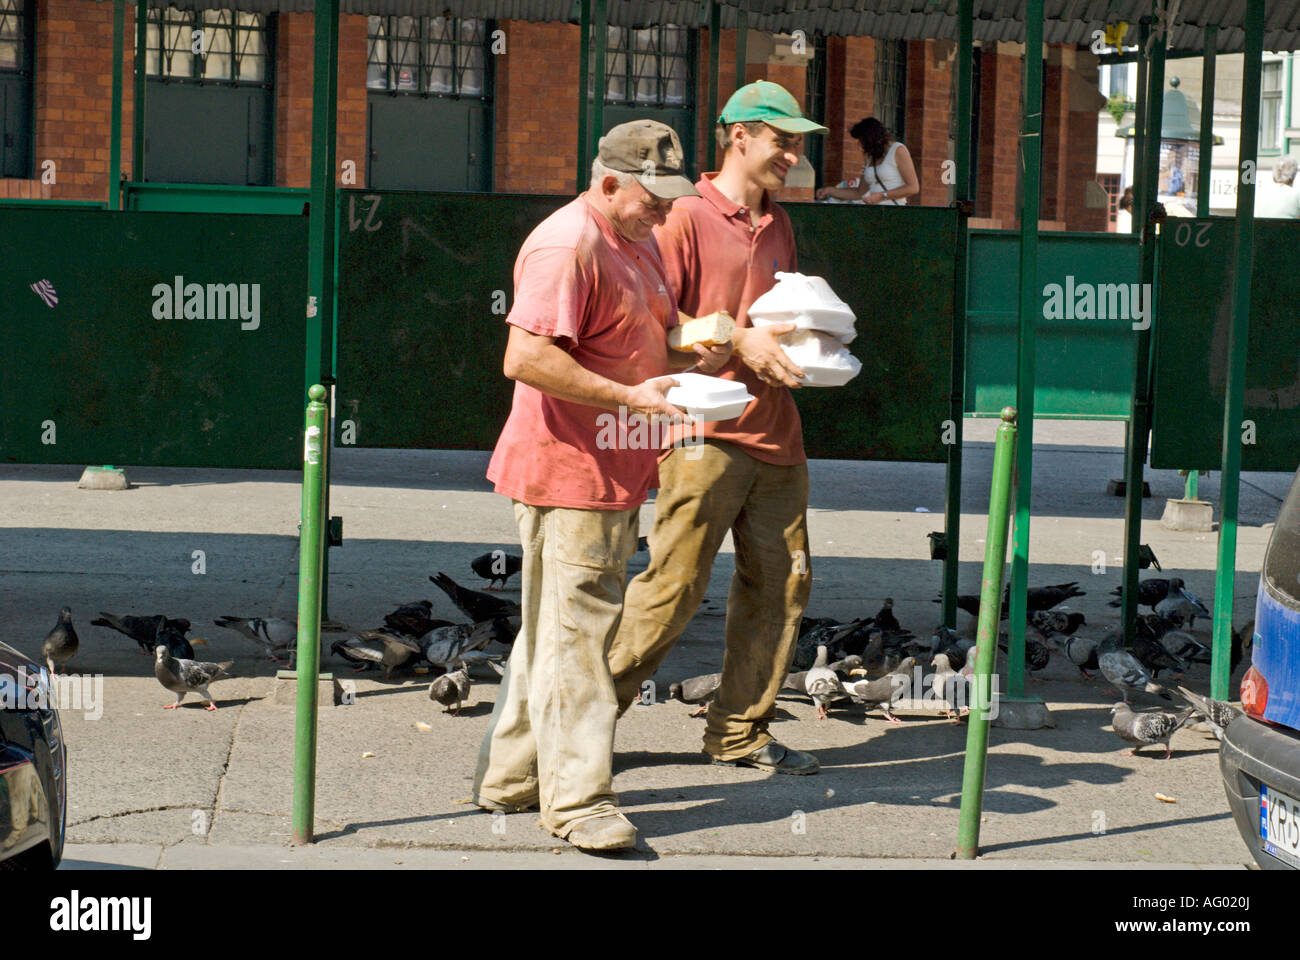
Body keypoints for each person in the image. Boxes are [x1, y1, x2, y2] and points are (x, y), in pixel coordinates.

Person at [471, 120, 733, 852]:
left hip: (605, 466)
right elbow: (524, 358)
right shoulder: (569, 244)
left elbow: (644, 319)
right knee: (579, 639)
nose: (666, 213)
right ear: (608, 181)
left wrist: (687, 338)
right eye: (653, 199)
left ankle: (512, 778)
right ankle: (579, 802)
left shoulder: (632, 235)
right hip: (570, 470)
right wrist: (634, 400)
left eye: (672, 200)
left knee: (556, 631)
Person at [606, 80, 829, 775]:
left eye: (797, 142)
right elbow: (648, 333)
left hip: (777, 435)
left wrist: (810, 342)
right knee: (671, 588)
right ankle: (573, 729)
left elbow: (771, 317)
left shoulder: (780, 222)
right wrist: (741, 343)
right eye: (781, 140)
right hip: (702, 435)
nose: (793, 154)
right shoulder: (682, 216)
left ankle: (739, 735)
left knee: (784, 585)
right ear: (739, 135)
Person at [815, 117, 919, 205]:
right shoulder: (871, 157)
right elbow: (859, 192)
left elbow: (913, 187)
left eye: (862, 141)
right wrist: (830, 191)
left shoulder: (898, 150)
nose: (861, 146)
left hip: (892, 209)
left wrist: (882, 195)